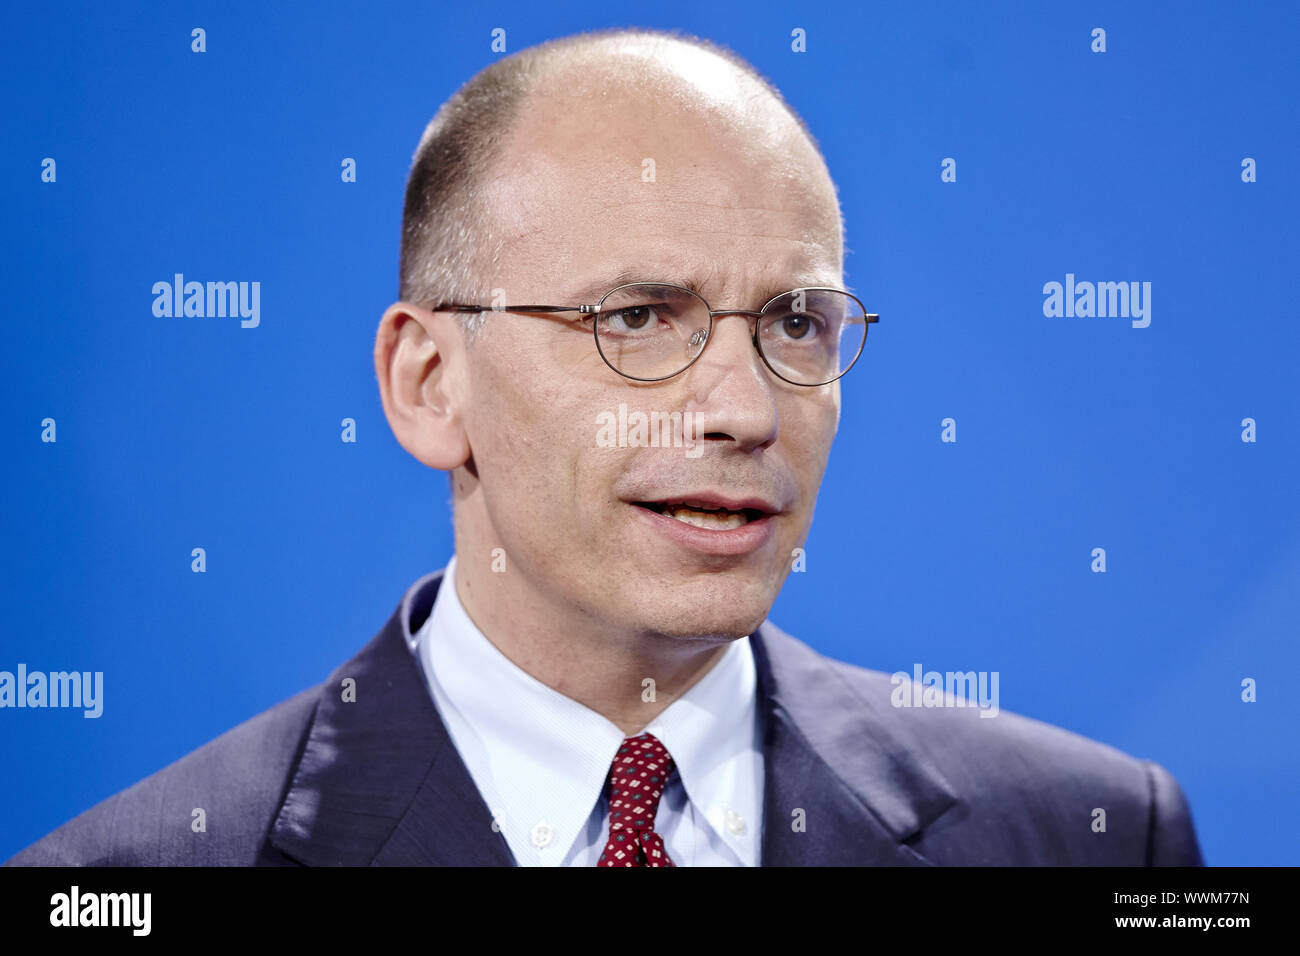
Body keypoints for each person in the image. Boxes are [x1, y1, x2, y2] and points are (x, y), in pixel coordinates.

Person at [6, 27, 1202, 867]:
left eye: (796, 320)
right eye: (636, 318)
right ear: (430, 383)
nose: (744, 407)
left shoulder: (1088, 831)